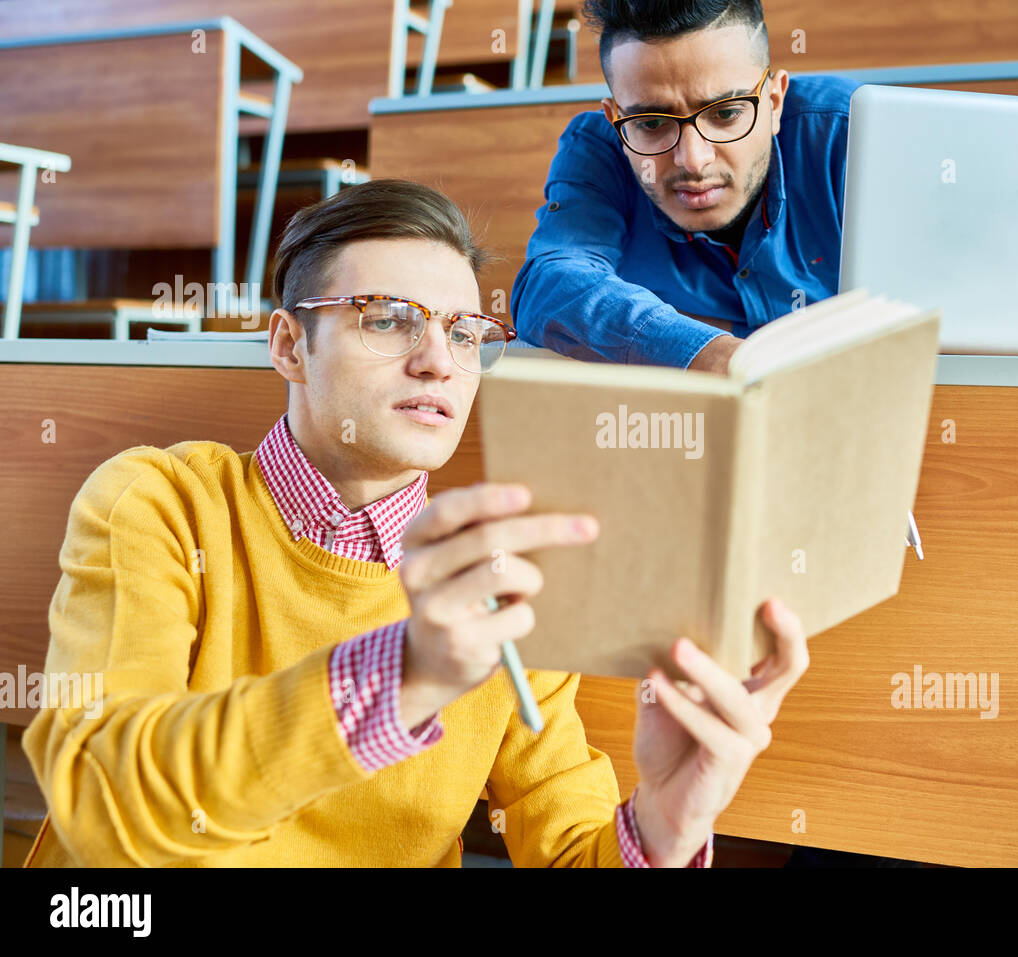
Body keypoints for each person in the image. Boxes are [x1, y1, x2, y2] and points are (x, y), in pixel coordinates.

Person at [21, 178, 809, 868]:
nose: (439, 359)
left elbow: (572, 850)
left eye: (466, 333)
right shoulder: (159, 503)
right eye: (389, 318)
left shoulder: (502, 584)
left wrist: (665, 829)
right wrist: (404, 674)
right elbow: (104, 806)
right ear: (289, 345)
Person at [511, 0, 860, 372]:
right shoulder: (599, 148)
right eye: (650, 123)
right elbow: (549, 289)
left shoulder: (854, 131)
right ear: (615, 118)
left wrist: (687, 333)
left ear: (774, 102)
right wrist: (722, 356)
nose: (693, 160)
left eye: (726, 113)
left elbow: (918, 318)